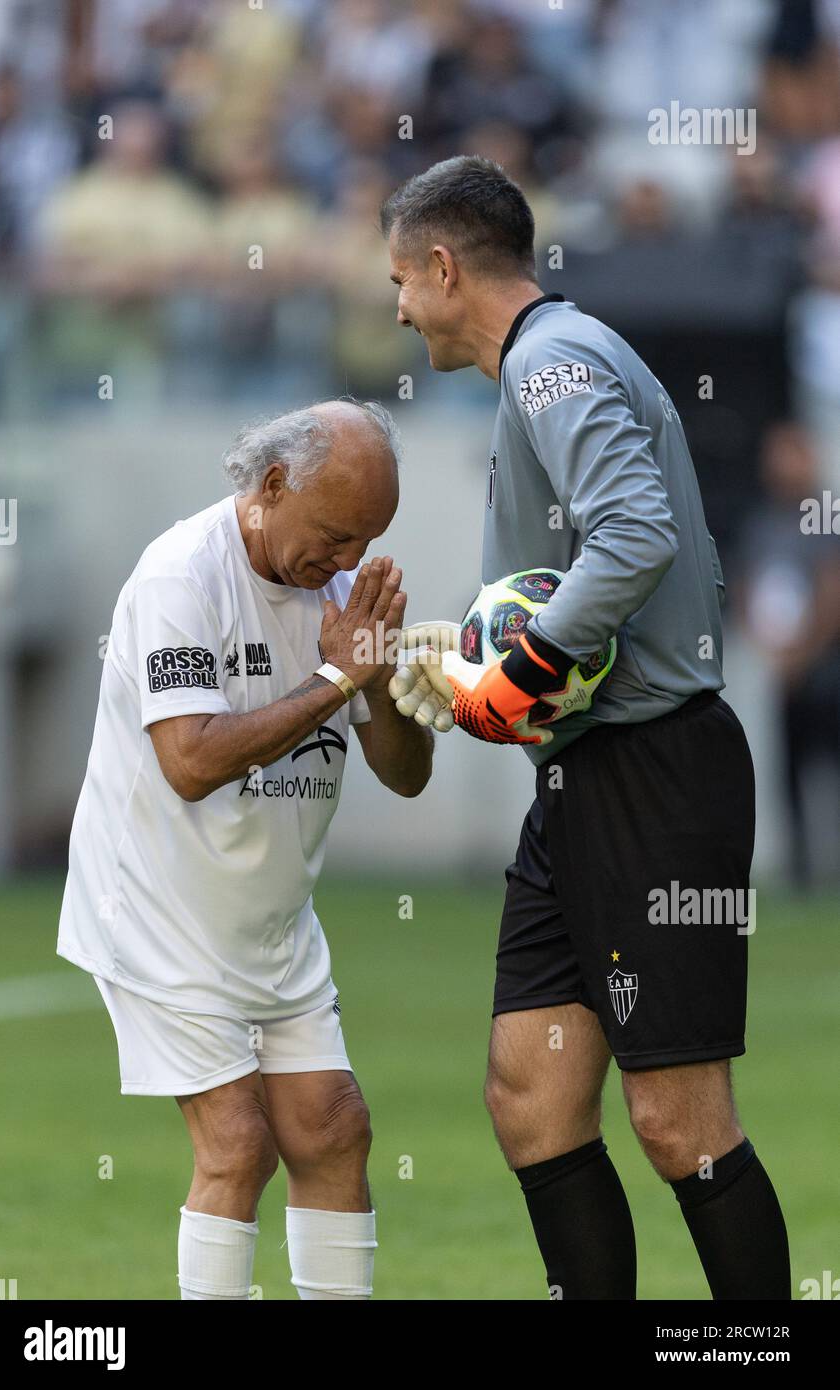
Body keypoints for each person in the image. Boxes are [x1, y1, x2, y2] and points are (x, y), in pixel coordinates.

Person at [381, 156, 790, 1300]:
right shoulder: (552, 361)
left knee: (676, 1120)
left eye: (400, 282)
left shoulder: (551, 363)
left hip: (655, 774)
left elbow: (631, 536)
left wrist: (521, 670)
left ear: (444, 266)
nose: (398, 311)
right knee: (530, 1093)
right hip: (585, 775)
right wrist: (485, 663)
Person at [57, 398, 433, 1300]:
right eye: (337, 535)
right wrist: (336, 676)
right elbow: (189, 760)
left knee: (335, 1128)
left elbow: (407, 775)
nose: (346, 562)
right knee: (239, 1143)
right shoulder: (178, 578)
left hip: (269, 919)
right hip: (156, 905)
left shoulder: (341, 594)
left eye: (368, 541)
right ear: (272, 485)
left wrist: (377, 687)